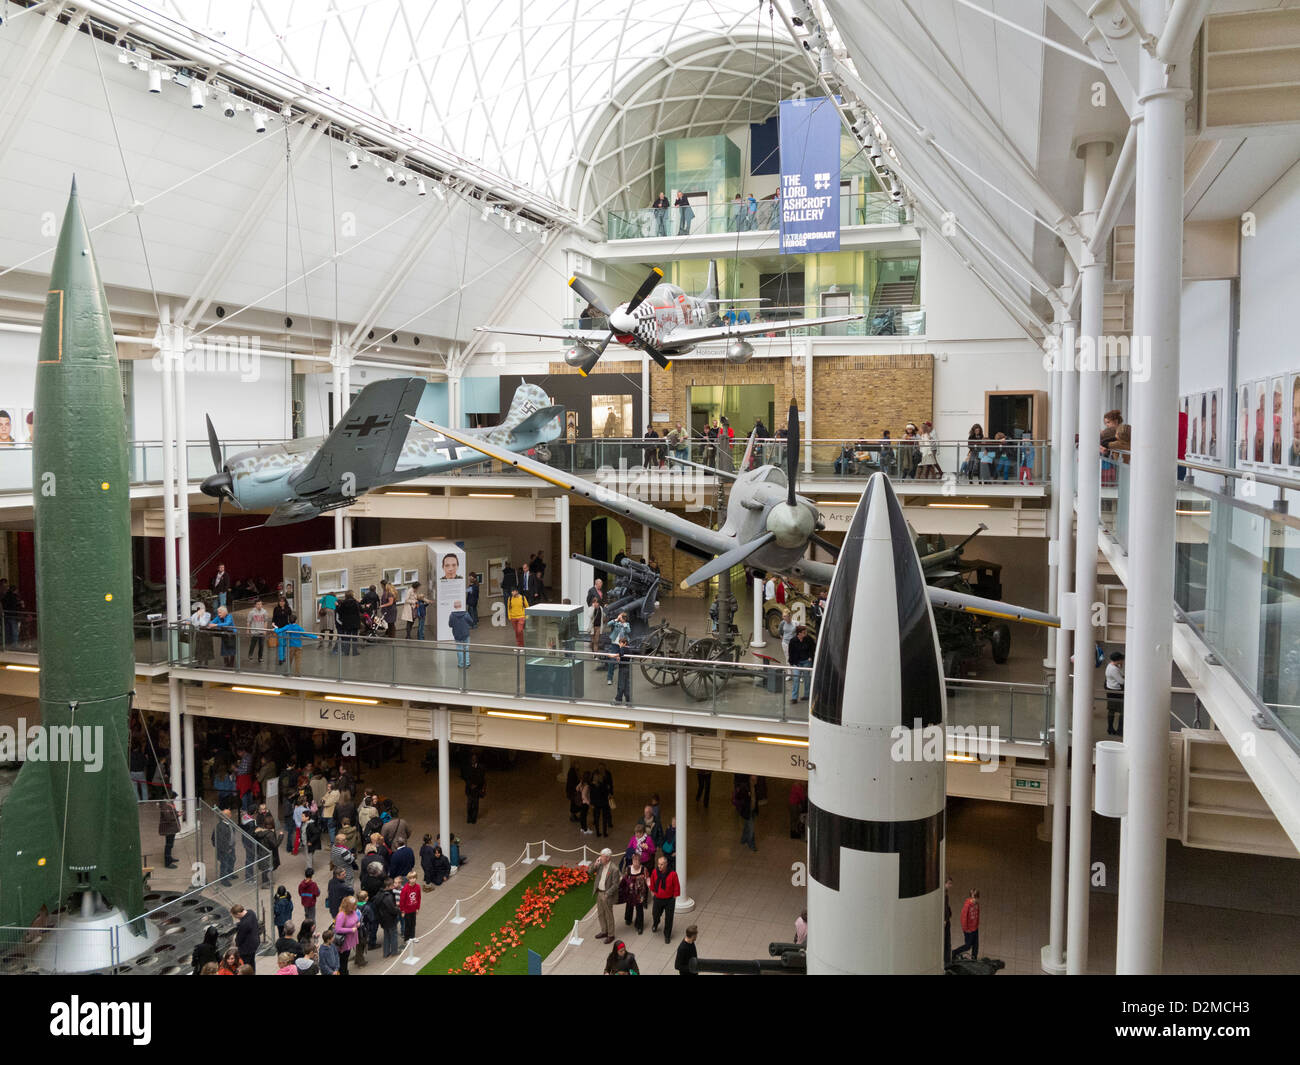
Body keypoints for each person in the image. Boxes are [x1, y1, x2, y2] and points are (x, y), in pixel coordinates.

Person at [649, 853, 681, 942]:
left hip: (669, 900)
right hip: (658, 898)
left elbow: (676, 886)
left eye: (662, 864)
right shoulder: (655, 872)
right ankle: (655, 923)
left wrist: (674, 897)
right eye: (658, 864)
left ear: (666, 864)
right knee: (655, 914)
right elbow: (652, 882)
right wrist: (653, 893)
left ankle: (667, 935)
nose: (659, 866)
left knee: (669, 918)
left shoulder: (673, 874)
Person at [590, 849, 620, 942]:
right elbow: (589, 871)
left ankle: (611, 934)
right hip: (599, 892)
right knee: (600, 913)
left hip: (607, 894)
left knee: (608, 915)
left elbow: (616, 884)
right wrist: (595, 864)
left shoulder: (614, 869)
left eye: (602, 856)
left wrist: (607, 894)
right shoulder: (600, 865)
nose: (600, 857)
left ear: (608, 857)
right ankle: (604, 931)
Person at [619, 854, 648, 934]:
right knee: (629, 906)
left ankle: (639, 926)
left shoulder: (644, 869)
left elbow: (647, 880)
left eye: (636, 860)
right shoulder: (628, 868)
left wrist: (650, 889)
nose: (635, 862)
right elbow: (624, 879)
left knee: (639, 909)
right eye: (633, 860)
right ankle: (628, 919)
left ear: (640, 861)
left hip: (640, 894)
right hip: (630, 892)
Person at [787, 625, 816, 702]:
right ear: (799, 633)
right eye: (803, 632)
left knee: (807, 679)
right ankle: (794, 698)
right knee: (796, 679)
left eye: (805, 632)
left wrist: (811, 657)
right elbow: (790, 652)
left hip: (807, 661)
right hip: (797, 663)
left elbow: (813, 648)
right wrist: (792, 662)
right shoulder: (793, 641)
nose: (805, 634)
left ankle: (807, 695)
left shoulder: (808, 639)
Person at [951, 888, 981, 960]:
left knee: (976, 945)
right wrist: (966, 929)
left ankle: (974, 958)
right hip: (968, 929)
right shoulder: (967, 905)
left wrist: (977, 924)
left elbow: (977, 914)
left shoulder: (977, 904)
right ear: (971, 897)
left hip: (975, 928)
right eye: (973, 897)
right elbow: (963, 918)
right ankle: (954, 952)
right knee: (968, 945)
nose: (975, 900)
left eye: (976, 898)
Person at [333, 895, 360, 975]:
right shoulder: (341, 915)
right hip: (344, 943)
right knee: (343, 961)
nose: (356, 907)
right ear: (348, 906)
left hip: (350, 940)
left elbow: (355, 919)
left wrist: (357, 924)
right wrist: (351, 930)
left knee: (345, 959)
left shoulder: (353, 911)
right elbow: (337, 929)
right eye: (354, 905)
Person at [604, 611, 631, 685]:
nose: (621, 618)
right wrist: (616, 619)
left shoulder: (627, 624)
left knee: (624, 662)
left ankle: (624, 679)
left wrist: (624, 624)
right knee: (612, 661)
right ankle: (609, 678)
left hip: (622, 646)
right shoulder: (616, 623)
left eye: (622, 617)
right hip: (615, 644)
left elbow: (628, 631)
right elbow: (608, 624)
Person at [157, 793, 180, 868]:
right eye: (174, 798)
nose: (174, 800)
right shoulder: (165, 805)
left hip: (171, 828)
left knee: (170, 844)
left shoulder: (169, 803)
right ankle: (167, 863)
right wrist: (177, 815)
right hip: (168, 828)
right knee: (168, 845)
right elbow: (168, 818)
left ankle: (169, 858)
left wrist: (177, 813)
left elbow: (171, 813)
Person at [448, 600, 473, 668]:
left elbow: (450, 625)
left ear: (454, 606)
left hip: (457, 634)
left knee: (459, 648)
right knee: (466, 648)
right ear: (461, 606)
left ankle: (461, 664)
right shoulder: (466, 614)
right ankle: (467, 663)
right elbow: (471, 622)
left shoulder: (452, 615)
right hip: (465, 633)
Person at [734, 777, 757, 852]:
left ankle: (743, 839)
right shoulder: (745, 787)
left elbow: (756, 799)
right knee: (751, 827)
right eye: (754, 778)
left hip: (753, 810)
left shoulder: (755, 787)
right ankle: (751, 843)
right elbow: (739, 797)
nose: (756, 780)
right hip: (747, 810)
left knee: (747, 825)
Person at [1106, 651, 1125, 736]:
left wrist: (1120, 666)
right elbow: (1121, 681)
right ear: (1118, 660)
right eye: (1121, 659)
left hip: (1110, 689)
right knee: (1122, 711)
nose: (1123, 661)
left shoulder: (1111, 666)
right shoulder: (1114, 669)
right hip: (1116, 691)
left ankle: (1110, 728)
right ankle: (1119, 730)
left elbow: (1121, 674)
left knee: (1111, 710)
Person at [399, 873, 422, 942]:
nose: (413, 880)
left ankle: (412, 936)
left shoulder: (418, 887)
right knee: (407, 925)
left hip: (413, 909)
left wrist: (417, 908)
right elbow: (402, 901)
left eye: (414, 878)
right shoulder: (405, 889)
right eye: (411, 878)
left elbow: (418, 898)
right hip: (407, 910)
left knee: (413, 923)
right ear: (408, 879)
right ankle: (406, 938)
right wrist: (402, 911)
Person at [464, 752, 486, 824]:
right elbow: (466, 777)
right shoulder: (468, 767)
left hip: (477, 789)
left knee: (476, 804)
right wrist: (470, 784)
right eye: (472, 759)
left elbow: (482, 778)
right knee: (469, 804)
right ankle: (469, 817)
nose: (473, 760)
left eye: (474, 759)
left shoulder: (481, 767)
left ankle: (474, 818)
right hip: (469, 789)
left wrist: (476, 785)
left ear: (476, 760)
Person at [246, 599, 268, 664]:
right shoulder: (251, 612)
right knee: (253, 644)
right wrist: (248, 630)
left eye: (261, 604)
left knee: (261, 645)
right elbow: (248, 622)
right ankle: (250, 655)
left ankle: (260, 657)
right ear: (255, 605)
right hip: (254, 631)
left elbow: (266, 621)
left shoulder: (264, 612)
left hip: (261, 631)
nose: (259, 605)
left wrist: (265, 630)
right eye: (258, 604)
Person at [612, 636, 633, 704]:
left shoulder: (623, 648)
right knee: (627, 684)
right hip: (627, 668)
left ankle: (618, 699)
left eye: (620, 643)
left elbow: (621, 653)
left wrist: (612, 656)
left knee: (621, 684)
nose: (619, 645)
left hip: (623, 668)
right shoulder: (629, 649)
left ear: (624, 643)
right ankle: (628, 700)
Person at [943, 877, 953, 964]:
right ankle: (947, 961)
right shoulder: (944, 895)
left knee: (947, 941)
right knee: (946, 941)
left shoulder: (945, 893)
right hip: (945, 921)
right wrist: (946, 919)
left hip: (946, 920)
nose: (950, 885)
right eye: (949, 883)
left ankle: (947, 960)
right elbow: (945, 908)